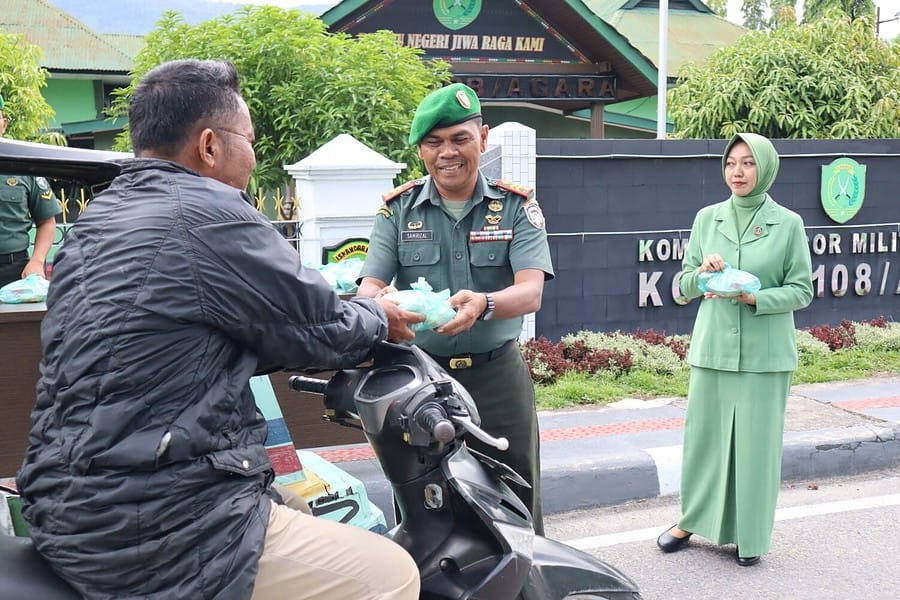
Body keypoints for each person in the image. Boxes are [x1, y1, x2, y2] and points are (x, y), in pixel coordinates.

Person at [16, 59, 423, 599]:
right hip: (160, 520)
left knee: (297, 506)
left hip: (71, 498)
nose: (254, 159)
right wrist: (381, 316)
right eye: (250, 141)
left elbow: (209, 327)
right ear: (209, 145)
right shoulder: (209, 212)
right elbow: (319, 327)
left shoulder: (98, 219)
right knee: (391, 576)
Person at [357, 82, 554, 535]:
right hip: (420, 380)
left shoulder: (516, 207)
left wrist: (485, 304)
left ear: (482, 139)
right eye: (434, 142)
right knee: (425, 499)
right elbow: (370, 286)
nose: (448, 152)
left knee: (517, 492)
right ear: (421, 151)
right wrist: (381, 304)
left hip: (497, 379)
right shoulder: (397, 211)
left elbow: (531, 292)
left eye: (459, 139)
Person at [656, 133, 813, 566]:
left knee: (756, 448)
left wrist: (756, 299)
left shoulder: (789, 224)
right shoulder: (707, 218)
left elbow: (802, 290)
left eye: (748, 163)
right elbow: (684, 287)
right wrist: (704, 275)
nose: (738, 172)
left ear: (765, 168)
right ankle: (691, 519)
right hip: (713, 350)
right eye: (731, 164)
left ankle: (750, 535)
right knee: (704, 441)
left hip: (765, 355)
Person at [0, 94, 62, 287]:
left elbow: (47, 221)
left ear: (3, 125)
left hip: (14, 271)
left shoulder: (22, 166)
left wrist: (37, 260)